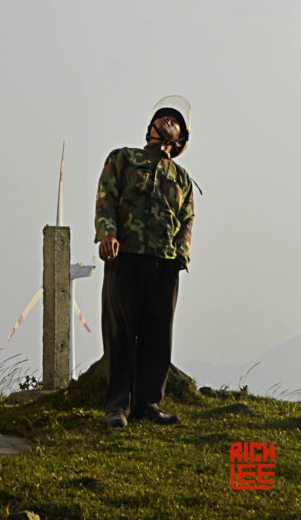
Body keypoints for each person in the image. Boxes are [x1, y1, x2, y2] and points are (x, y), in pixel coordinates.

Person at [94, 96, 195, 428]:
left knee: (157, 335)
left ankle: (147, 403)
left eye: (175, 121)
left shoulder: (181, 178)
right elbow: (106, 197)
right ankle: (117, 407)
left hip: (164, 263)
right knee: (120, 330)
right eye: (163, 117)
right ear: (151, 127)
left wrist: (181, 254)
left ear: (180, 138)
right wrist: (107, 233)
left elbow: (186, 219)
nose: (168, 121)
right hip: (126, 256)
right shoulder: (122, 158)